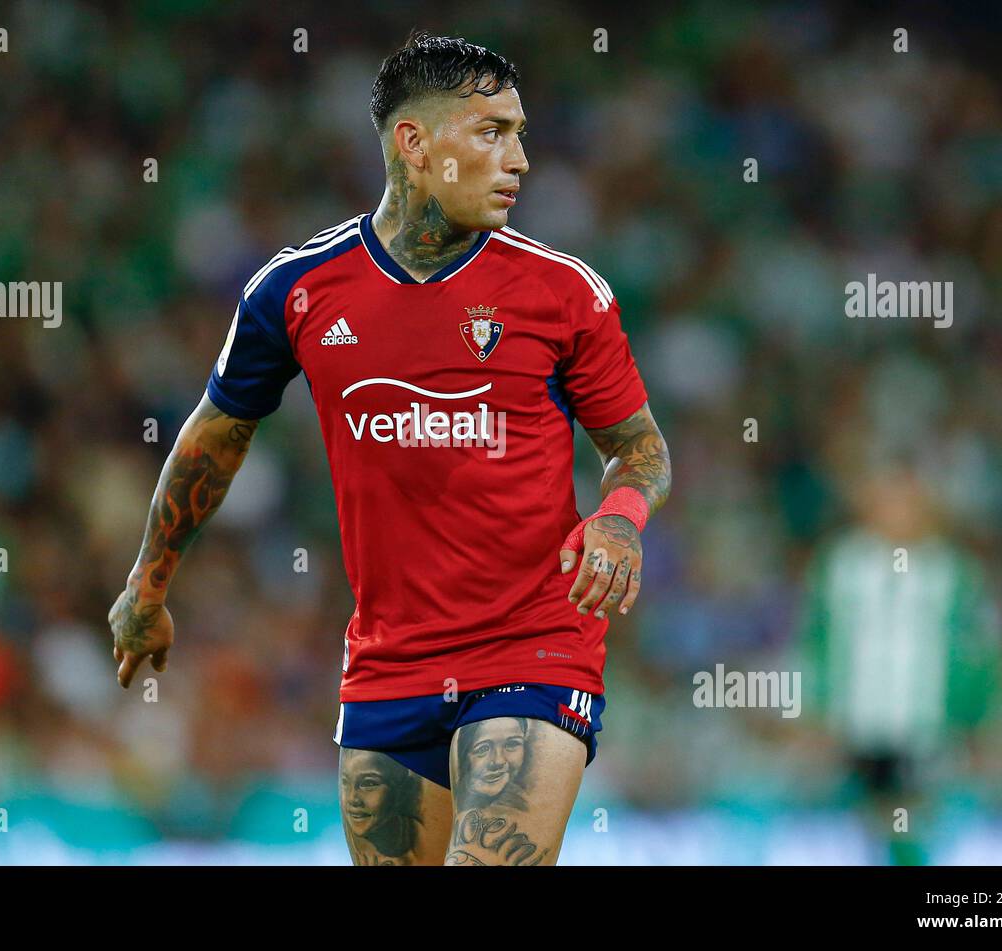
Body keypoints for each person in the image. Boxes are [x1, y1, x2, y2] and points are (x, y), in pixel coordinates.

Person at [108, 31, 671, 865]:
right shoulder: (295, 291)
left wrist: (620, 517)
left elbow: (639, 446)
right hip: (390, 663)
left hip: (535, 644)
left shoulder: (563, 292)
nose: (519, 159)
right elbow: (214, 442)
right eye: (492, 133)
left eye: (520, 134)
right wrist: (147, 586)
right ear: (415, 143)